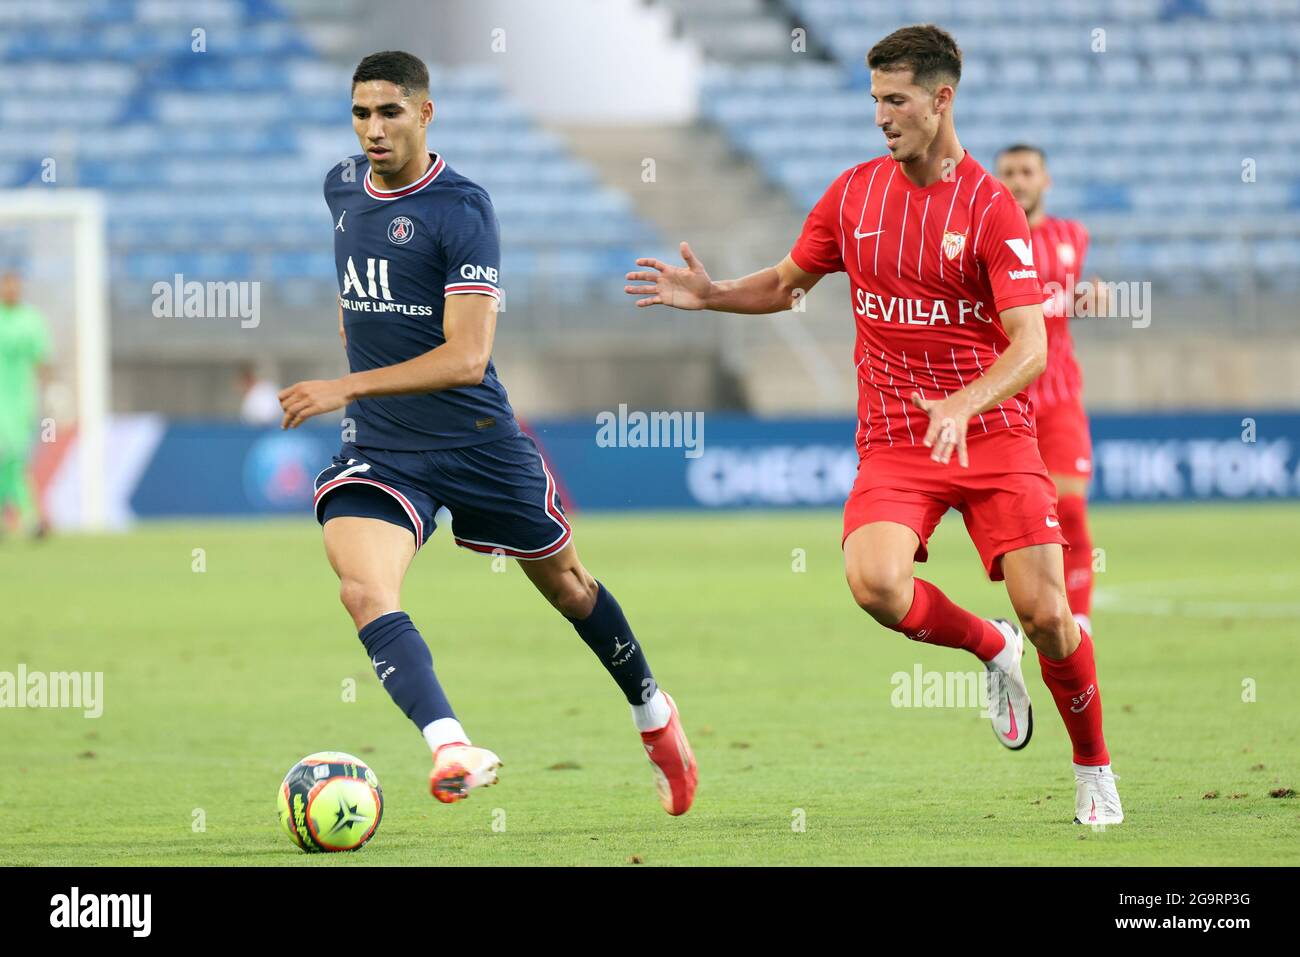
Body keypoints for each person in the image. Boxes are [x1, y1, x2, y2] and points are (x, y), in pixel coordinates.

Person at [626, 25, 1120, 824]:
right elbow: (790, 282)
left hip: (993, 434)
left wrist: (965, 401)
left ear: (941, 99)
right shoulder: (854, 195)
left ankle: (1094, 764)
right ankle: (991, 647)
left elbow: (1030, 344)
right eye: (875, 101)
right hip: (899, 437)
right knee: (876, 583)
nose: (882, 116)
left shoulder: (993, 211)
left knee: (1053, 617)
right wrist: (713, 293)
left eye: (896, 100)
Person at [278, 51, 697, 814]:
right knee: (362, 588)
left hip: (476, 441)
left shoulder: (462, 209)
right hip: (380, 446)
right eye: (361, 113)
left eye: (390, 113)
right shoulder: (340, 185)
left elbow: (468, 357)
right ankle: (451, 744)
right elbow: (360, 292)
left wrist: (344, 382)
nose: (374, 129)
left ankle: (652, 711)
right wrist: (358, 377)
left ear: (426, 113)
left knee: (570, 587)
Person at [995, 144, 1105, 634]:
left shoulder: (1072, 237)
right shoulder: (987, 239)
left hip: (1059, 395)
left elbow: (1057, 303)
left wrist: (1087, 298)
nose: (1018, 181)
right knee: (1019, 525)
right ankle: (1035, 612)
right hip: (1003, 402)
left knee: (1071, 508)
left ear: (1046, 181)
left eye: (1027, 171)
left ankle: (1078, 618)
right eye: (1008, 173)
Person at [0, 271, 51, 539]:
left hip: (22, 403)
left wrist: (51, 393)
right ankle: (31, 517)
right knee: (9, 456)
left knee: (14, 459)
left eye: (14, 286)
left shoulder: (31, 321)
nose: (10, 290)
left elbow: (41, 360)